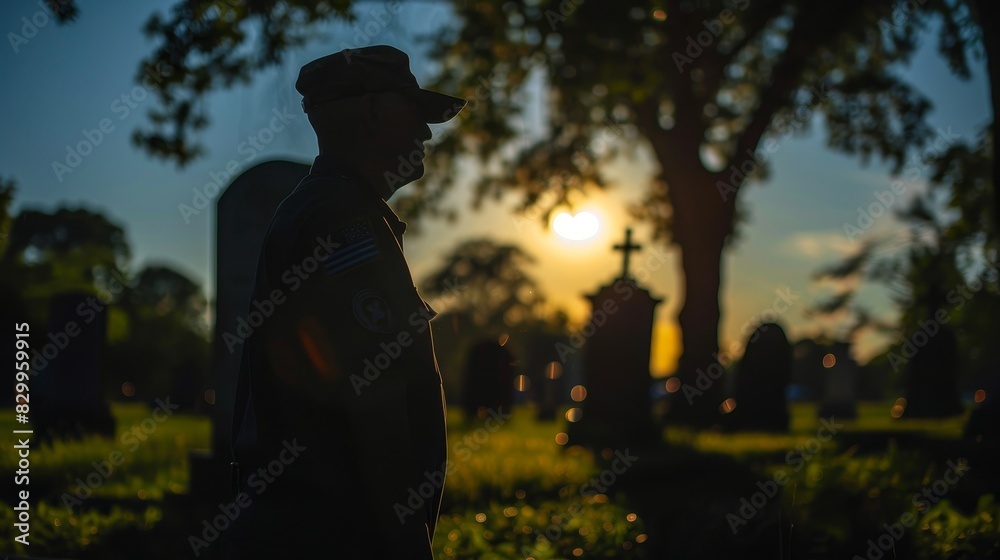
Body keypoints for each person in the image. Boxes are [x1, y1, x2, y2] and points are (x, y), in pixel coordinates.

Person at [224, 45, 466, 559]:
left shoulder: (329, 209)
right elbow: (374, 409)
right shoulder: (344, 222)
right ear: (371, 111)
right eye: (414, 113)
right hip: (338, 534)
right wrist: (404, 541)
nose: (426, 132)